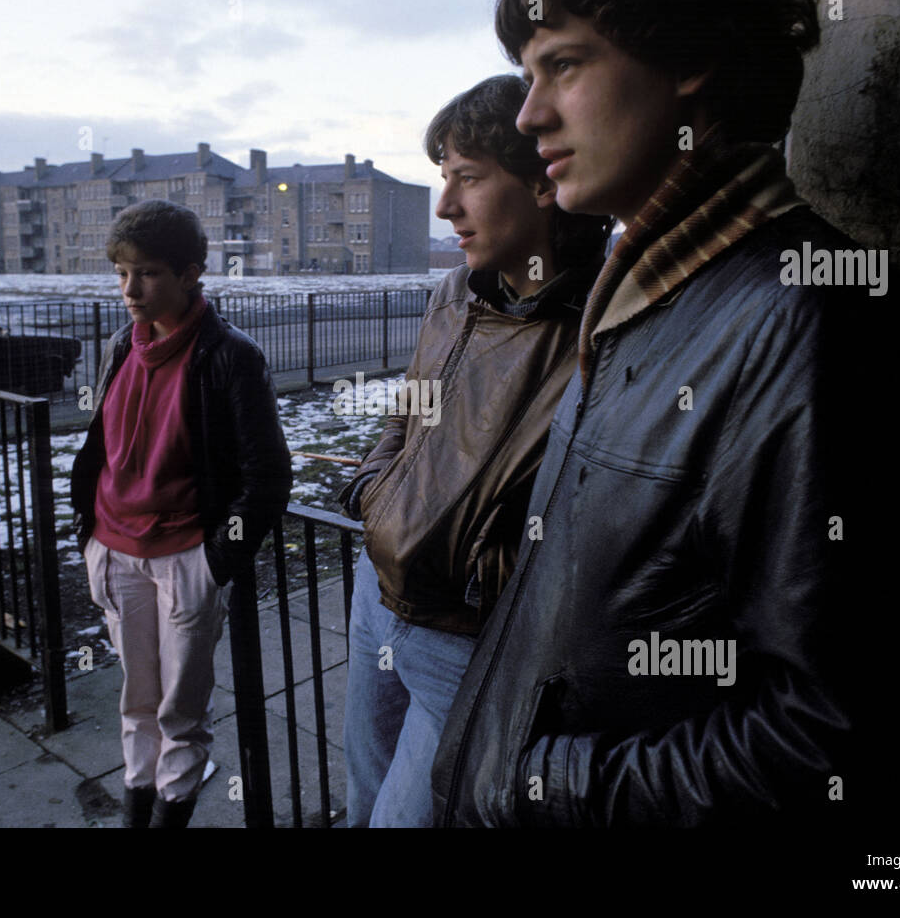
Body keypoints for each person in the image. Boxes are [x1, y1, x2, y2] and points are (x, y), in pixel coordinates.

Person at [431, 0, 878, 826]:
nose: (530, 116)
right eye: (527, 74)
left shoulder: (798, 317)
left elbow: (821, 734)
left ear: (691, 60)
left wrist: (545, 782)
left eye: (562, 65)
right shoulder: (649, 287)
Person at [339, 74, 609, 827]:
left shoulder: (607, 320)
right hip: (376, 591)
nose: (444, 206)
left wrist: (479, 578)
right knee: (361, 798)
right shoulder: (453, 291)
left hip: (465, 634)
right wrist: (370, 491)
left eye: (467, 178)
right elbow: (409, 411)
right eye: (441, 178)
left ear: (543, 182)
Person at [70, 200, 291, 828]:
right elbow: (103, 447)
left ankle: (171, 812)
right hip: (115, 553)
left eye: (147, 274)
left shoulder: (230, 357)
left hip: (183, 560)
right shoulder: (121, 345)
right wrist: (91, 533)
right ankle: (134, 810)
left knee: (180, 711)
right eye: (120, 274)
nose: (130, 291)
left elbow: (268, 477)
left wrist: (214, 561)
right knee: (136, 700)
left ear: (192, 272)